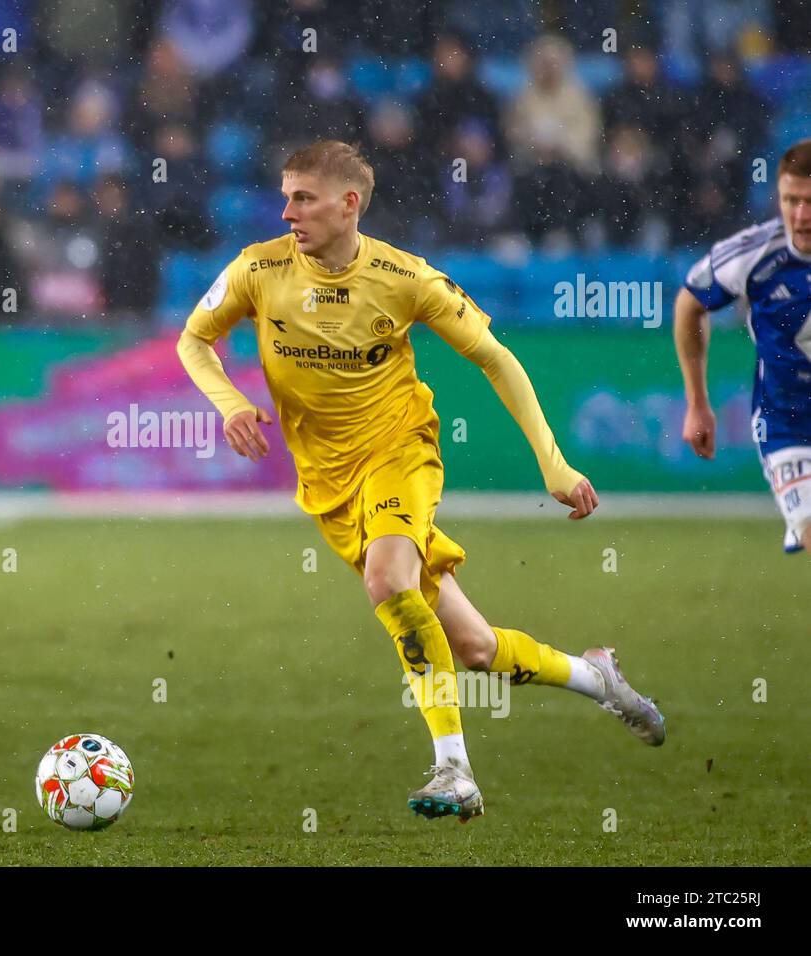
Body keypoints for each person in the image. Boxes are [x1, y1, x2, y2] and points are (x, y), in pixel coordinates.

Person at [176, 140, 664, 822]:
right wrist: (230, 404)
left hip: (399, 451)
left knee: (389, 582)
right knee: (474, 647)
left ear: (349, 205)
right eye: (286, 196)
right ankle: (598, 678)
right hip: (328, 484)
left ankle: (455, 771)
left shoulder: (404, 278)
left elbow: (496, 358)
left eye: (303, 198)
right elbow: (193, 340)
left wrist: (553, 462)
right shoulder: (259, 269)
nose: (287, 211)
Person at [675, 139, 811, 555]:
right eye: (790, 201)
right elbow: (689, 304)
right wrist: (697, 402)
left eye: (810, 202)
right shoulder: (754, 254)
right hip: (788, 424)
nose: (800, 216)